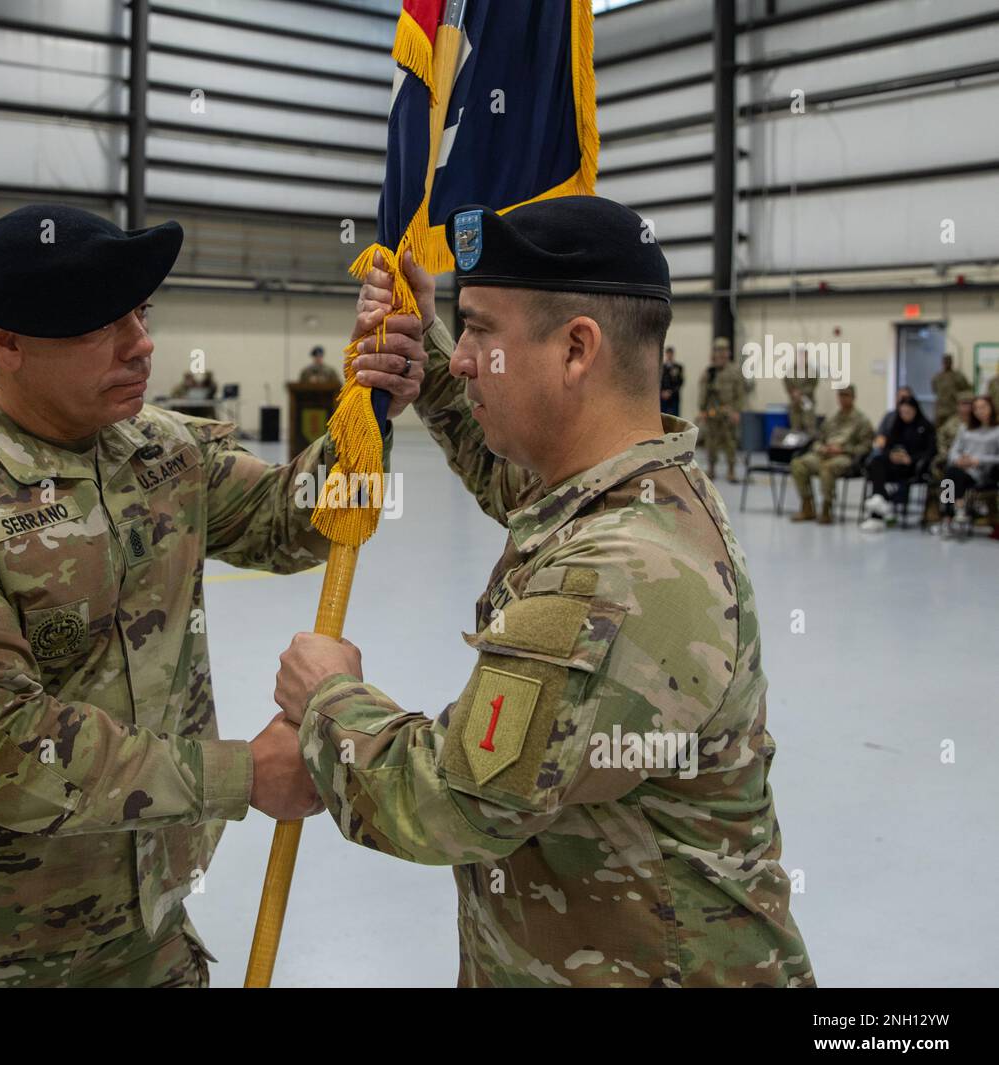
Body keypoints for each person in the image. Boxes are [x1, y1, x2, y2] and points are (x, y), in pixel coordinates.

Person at [0, 203, 424, 988]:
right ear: (5, 341)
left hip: (142, 928)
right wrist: (244, 776)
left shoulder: (161, 451)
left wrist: (370, 403)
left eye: (140, 314)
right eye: (96, 326)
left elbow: (296, 520)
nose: (140, 345)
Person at [273, 197, 813, 987]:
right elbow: (516, 477)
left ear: (575, 350)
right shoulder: (631, 485)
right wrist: (424, 351)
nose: (464, 357)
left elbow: (454, 802)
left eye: (483, 332)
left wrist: (328, 699)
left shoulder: (619, 572)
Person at [789, 385, 873, 524]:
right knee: (798, 463)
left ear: (853, 398)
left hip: (846, 457)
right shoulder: (832, 418)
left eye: (846, 396)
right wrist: (821, 448)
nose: (842, 399)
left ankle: (827, 509)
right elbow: (817, 439)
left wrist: (843, 449)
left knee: (827, 468)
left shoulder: (862, 421)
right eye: (840, 395)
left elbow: (865, 447)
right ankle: (807, 506)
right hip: (824, 454)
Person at [860, 396, 934, 532]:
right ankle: (879, 499)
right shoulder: (896, 425)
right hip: (894, 462)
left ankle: (877, 513)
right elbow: (887, 445)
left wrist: (911, 458)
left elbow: (930, 451)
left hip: (912, 466)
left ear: (915, 411)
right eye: (902, 412)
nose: (904, 416)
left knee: (889, 480)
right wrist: (891, 455)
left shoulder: (925, 427)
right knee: (877, 462)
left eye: (908, 412)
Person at [937, 393, 999, 538]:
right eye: (976, 408)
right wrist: (959, 460)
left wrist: (978, 460)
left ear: (991, 408)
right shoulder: (965, 428)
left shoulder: (996, 431)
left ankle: (952, 513)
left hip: (983, 472)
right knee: (951, 474)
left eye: (983, 407)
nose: (980, 411)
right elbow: (954, 451)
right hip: (962, 470)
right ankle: (955, 512)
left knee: (951, 477)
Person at [696, 335, 746, 482]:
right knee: (711, 442)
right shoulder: (709, 372)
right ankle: (711, 469)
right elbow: (703, 392)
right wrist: (702, 410)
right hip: (712, 413)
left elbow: (740, 394)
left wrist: (737, 411)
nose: (721, 354)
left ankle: (731, 470)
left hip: (729, 413)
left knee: (730, 442)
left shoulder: (734, 372)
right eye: (718, 350)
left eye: (723, 350)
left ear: (728, 353)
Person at [923, 393, 972, 526]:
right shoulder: (951, 422)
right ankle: (942, 509)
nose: (966, 408)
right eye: (963, 404)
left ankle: (949, 510)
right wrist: (947, 455)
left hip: (972, 462)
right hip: (951, 459)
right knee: (940, 471)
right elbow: (940, 440)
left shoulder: (978, 423)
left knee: (951, 476)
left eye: (969, 404)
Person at [783, 350, 819, 435]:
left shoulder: (811, 371)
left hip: (807, 402)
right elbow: (786, 381)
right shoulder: (791, 370)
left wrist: (801, 393)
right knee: (795, 428)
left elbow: (813, 385)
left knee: (809, 427)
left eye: (803, 356)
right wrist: (792, 392)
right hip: (795, 403)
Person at [931, 353, 971, 424]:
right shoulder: (937, 377)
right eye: (945, 361)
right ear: (942, 363)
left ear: (952, 362)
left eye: (948, 361)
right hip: (941, 409)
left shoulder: (959, 376)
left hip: (954, 409)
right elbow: (934, 390)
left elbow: (966, 391)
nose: (947, 363)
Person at [659, 345, 683, 416]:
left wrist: (670, 392)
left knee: (675, 417)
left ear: (673, 354)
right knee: (663, 417)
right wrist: (662, 392)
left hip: (674, 397)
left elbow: (680, 382)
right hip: (663, 397)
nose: (669, 355)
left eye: (671, 354)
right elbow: (658, 381)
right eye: (668, 354)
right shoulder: (661, 367)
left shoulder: (678, 367)